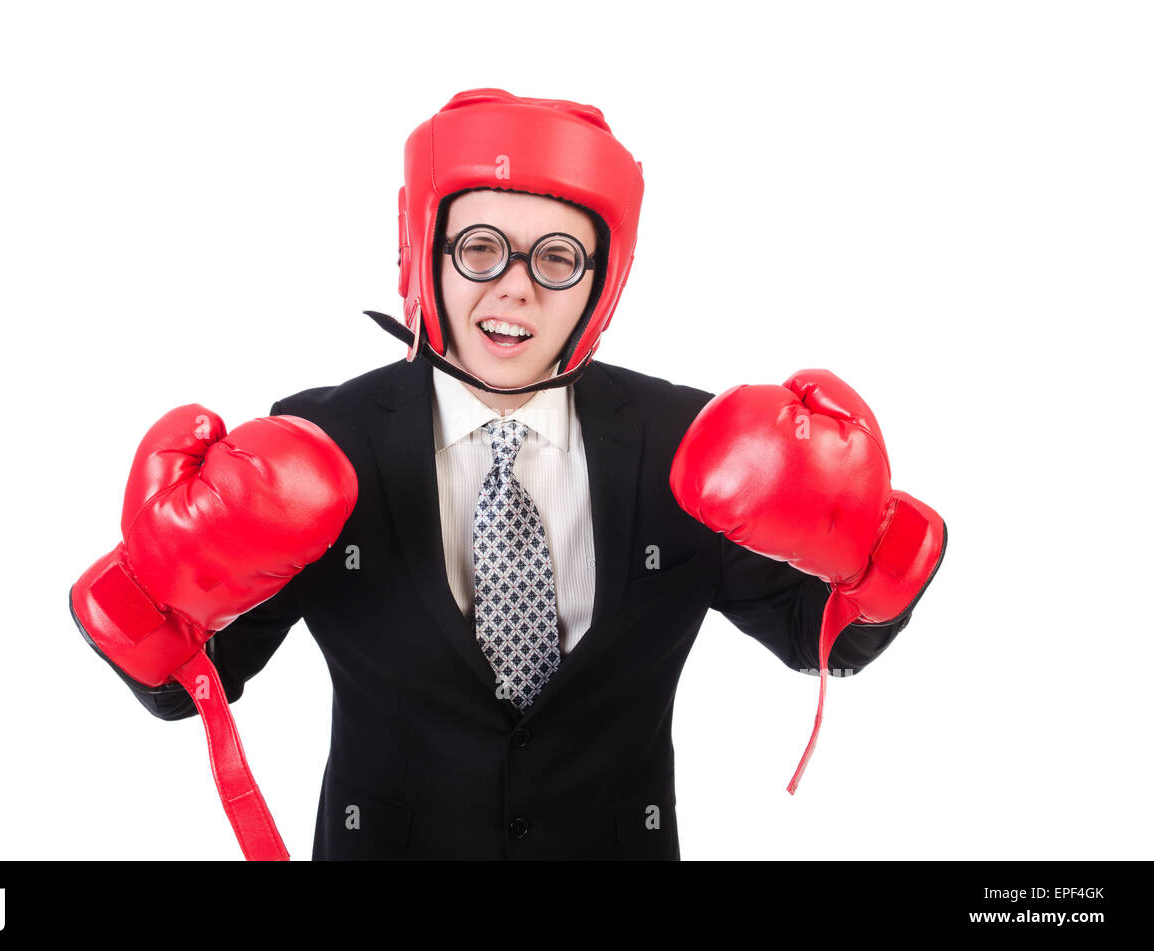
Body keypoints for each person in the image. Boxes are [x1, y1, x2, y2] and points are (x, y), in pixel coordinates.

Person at [71, 88, 946, 860]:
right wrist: (145, 598)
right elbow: (201, 682)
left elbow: (818, 634)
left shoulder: (687, 440)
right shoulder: (324, 437)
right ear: (426, 253)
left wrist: (876, 543)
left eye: (557, 258)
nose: (516, 288)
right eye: (481, 247)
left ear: (602, 282)